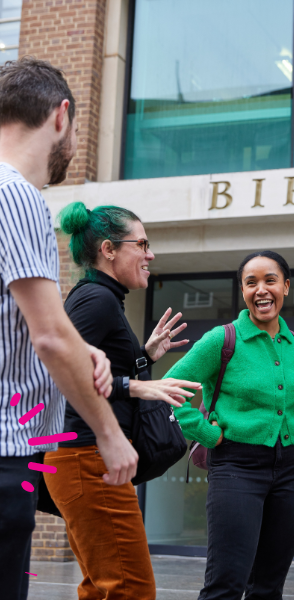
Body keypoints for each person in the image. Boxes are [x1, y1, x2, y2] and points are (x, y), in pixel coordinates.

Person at [0, 57, 138, 599]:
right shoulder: (18, 196)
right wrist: (109, 435)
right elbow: (49, 337)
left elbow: (37, 324)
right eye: (77, 128)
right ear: (61, 116)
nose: (75, 142)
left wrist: (84, 348)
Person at [44, 202, 201, 599]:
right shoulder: (96, 299)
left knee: (103, 588)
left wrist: (144, 357)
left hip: (86, 458)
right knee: (130, 589)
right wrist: (136, 386)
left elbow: (93, 366)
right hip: (87, 457)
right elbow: (61, 368)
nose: (150, 255)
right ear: (109, 250)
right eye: (142, 244)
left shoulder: (101, 298)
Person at [166, 250, 294, 600]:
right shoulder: (221, 340)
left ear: (286, 286)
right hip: (236, 466)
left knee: (269, 587)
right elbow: (171, 387)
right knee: (226, 584)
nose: (261, 290)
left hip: (291, 470)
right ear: (242, 291)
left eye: (270, 280)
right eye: (250, 282)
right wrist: (206, 434)